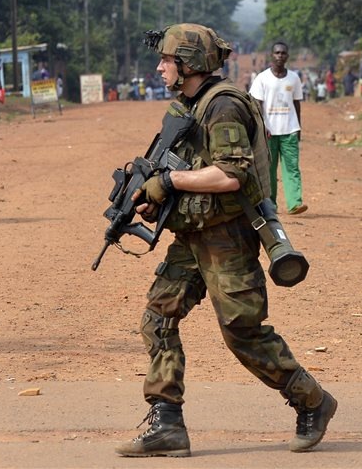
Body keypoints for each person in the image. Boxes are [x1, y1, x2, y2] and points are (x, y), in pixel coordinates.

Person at [114, 23, 337, 458]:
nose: (160, 67)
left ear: (189, 64)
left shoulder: (223, 107)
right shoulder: (189, 105)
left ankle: (313, 401)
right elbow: (190, 171)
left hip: (227, 240)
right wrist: (154, 196)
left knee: (243, 333)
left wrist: (169, 180)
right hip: (193, 237)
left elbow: (230, 175)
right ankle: (167, 424)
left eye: (167, 60)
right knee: (157, 318)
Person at [249, 42, 307, 215]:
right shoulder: (262, 78)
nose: (280, 56)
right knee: (269, 169)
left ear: (287, 56)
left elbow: (296, 103)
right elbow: (257, 105)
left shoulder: (294, 78)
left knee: (292, 167)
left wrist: (298, 127)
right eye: (277, 53)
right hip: (269, 132)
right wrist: (261, 127)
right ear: (271, 55)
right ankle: (270, 204)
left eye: (283, 53)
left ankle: (295, 203)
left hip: (289, 130)